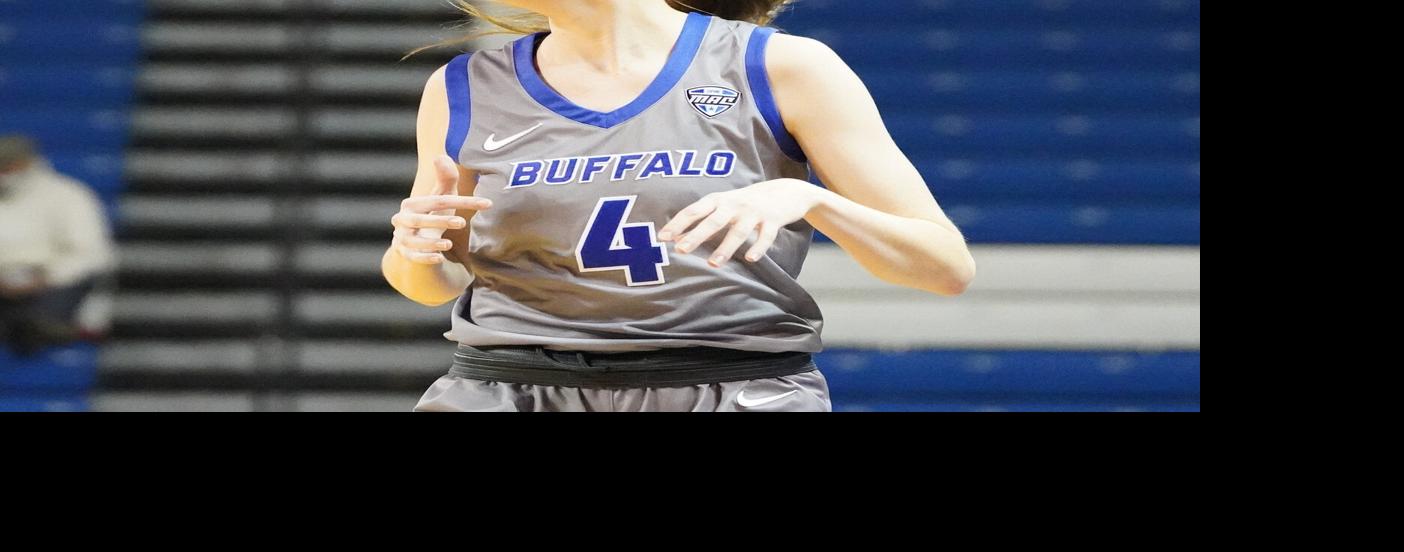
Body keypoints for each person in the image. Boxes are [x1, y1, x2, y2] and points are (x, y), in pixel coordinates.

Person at [384, 0, 975, 412]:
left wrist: (809, 198)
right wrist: (415, 253)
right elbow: (432, 283)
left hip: (726, 385)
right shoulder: (462, 85)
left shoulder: (781, 66)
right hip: (513, 386)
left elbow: (943, 267)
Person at [0, 135, 116, 356]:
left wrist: (46, 276)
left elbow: (92, 254)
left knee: (49, 309)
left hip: (51, 286)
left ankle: (41, 328)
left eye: (8, 165)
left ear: (27, 162)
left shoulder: (69, 195)